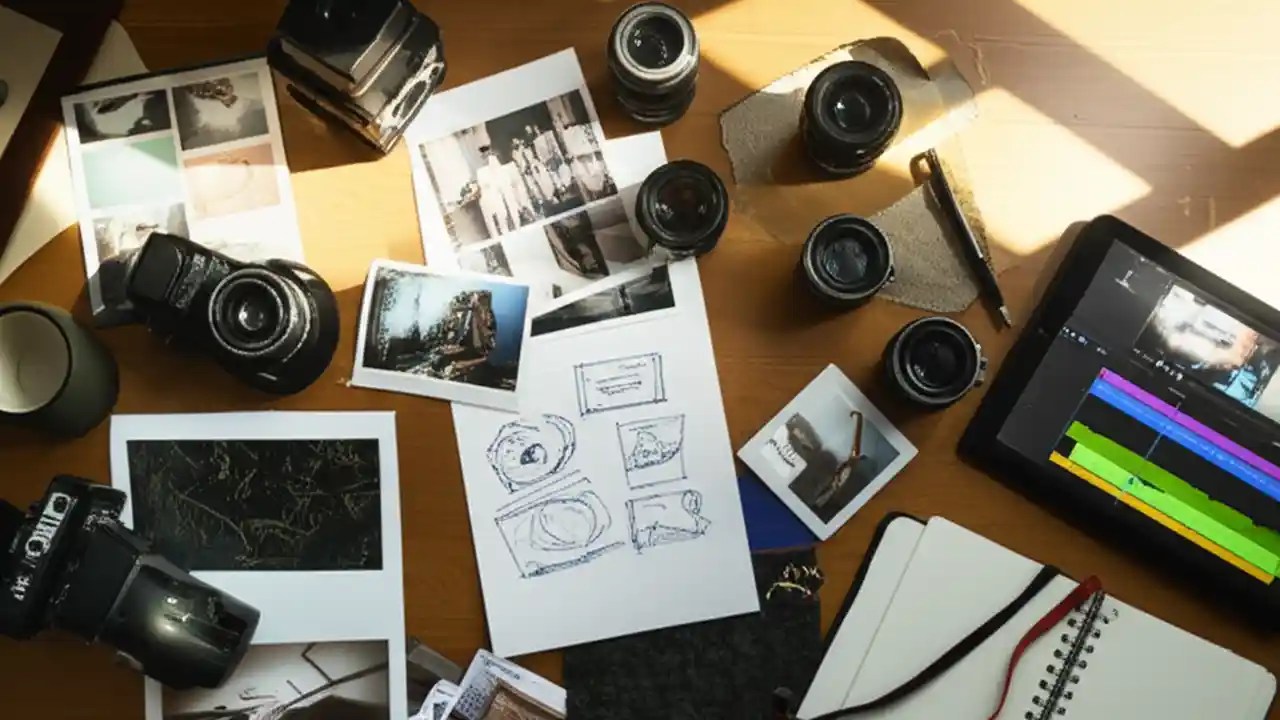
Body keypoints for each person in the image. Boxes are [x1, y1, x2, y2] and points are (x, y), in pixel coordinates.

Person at [475, 147, 514, 239]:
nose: (488, 158)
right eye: (485, 156)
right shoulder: (481, 171)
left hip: (497, 194)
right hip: (488, 197)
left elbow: (501, 180)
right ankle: (496, 236)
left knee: (502, 215)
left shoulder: (496, 167)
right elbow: (482, 185)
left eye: (489, 155)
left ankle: (506, 232)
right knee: (491, 220)